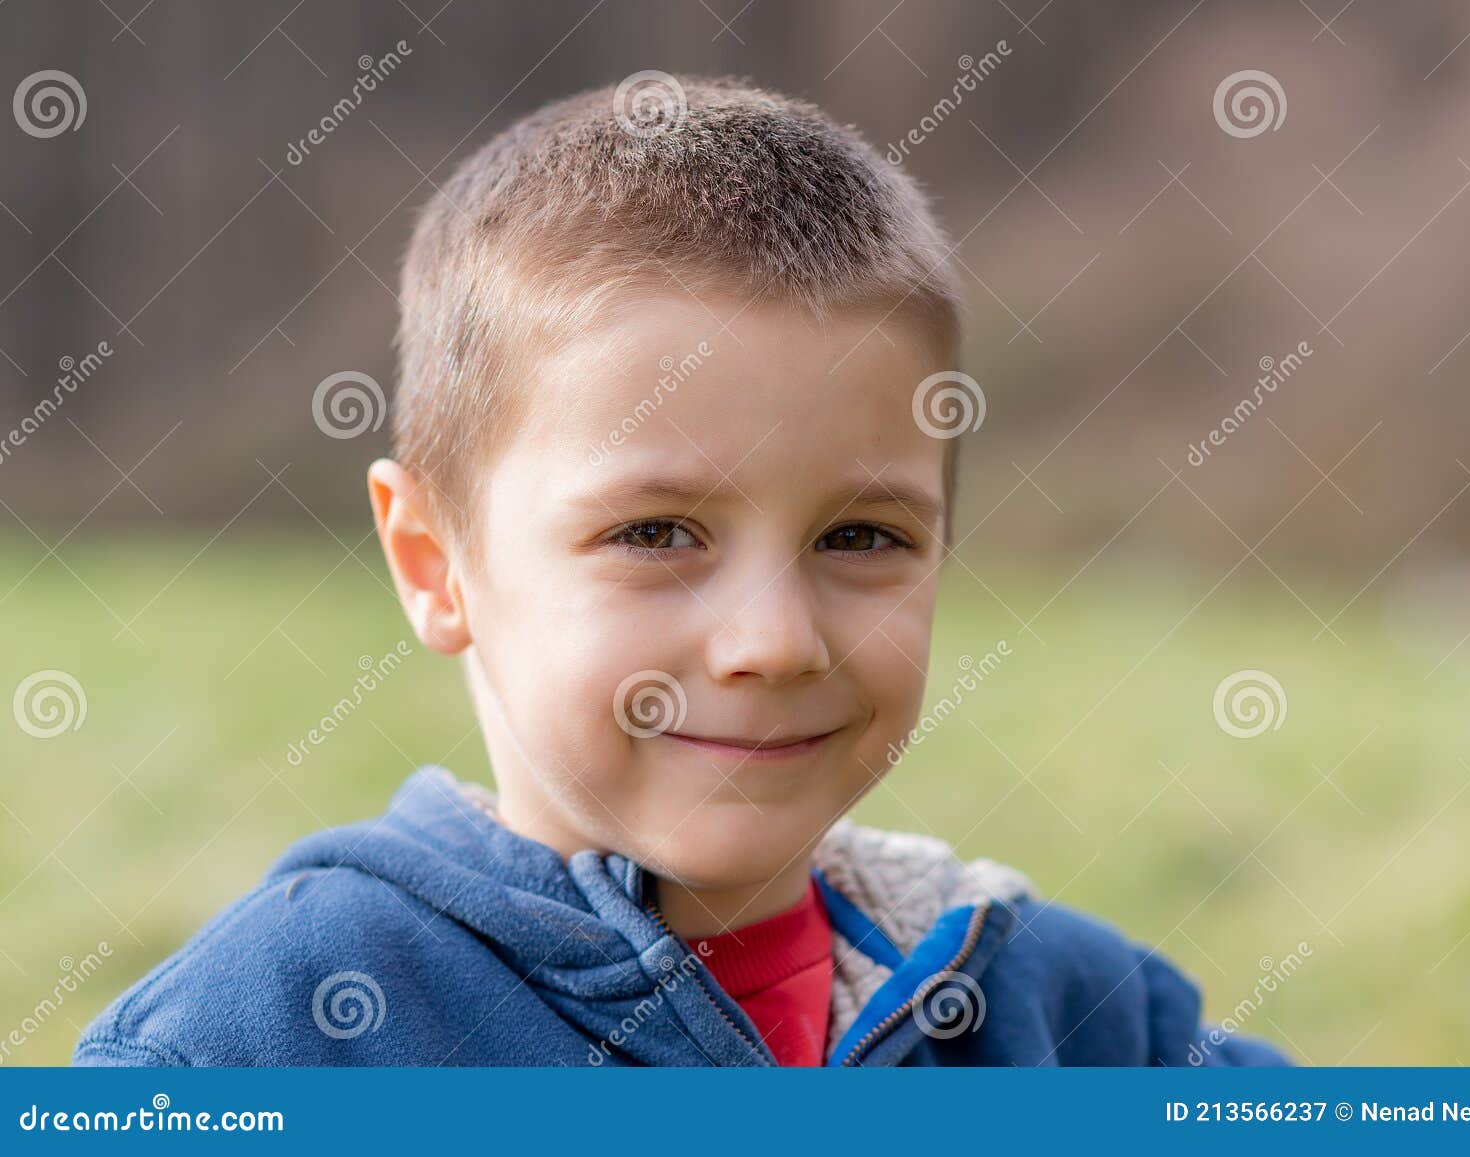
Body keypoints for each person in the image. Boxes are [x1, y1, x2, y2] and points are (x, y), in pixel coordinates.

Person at [75, 75, 1288, 1067]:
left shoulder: (1081, 1022)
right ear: (434, 563)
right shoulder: (262, 1042)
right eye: (656, 533)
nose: (772, 640)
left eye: (861, 537)